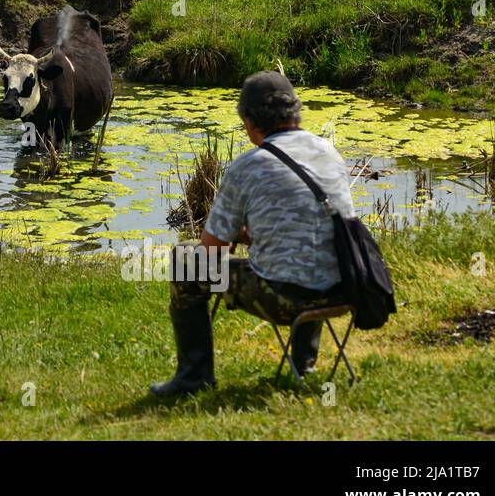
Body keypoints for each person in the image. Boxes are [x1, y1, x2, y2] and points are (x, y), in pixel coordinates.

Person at [150, 71, 355, 397]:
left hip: (285, 301)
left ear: (248, 122)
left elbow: (210, 252)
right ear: (297, 111)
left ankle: (194, 377)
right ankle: (304, 364)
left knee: (187, 262)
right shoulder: (328, 151)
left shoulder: (248, 166)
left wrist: (239, 235)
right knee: (310, 255)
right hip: (345, 289)